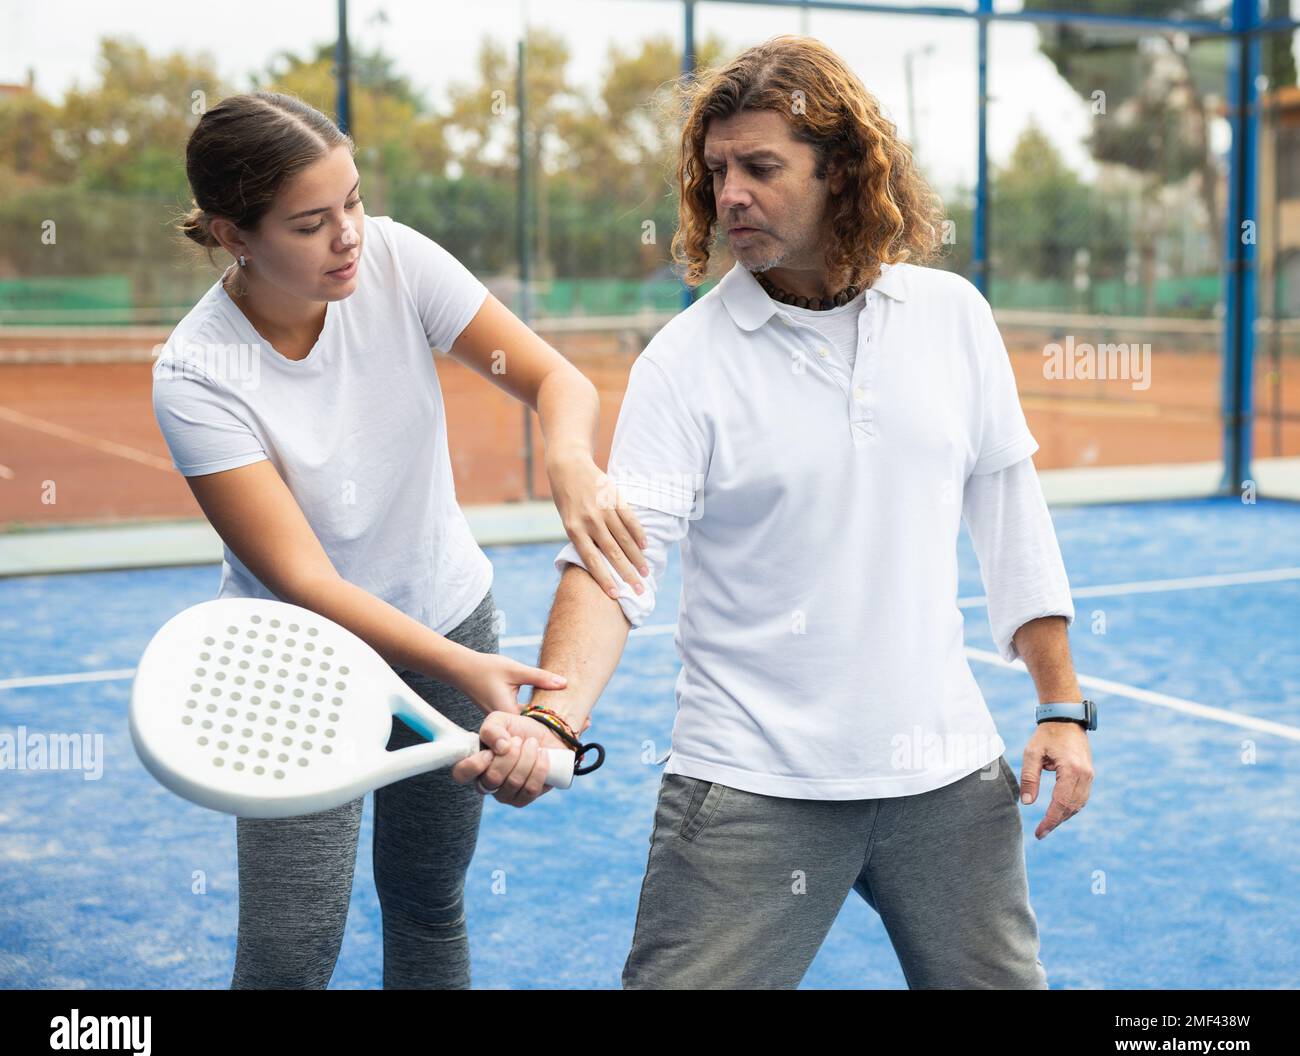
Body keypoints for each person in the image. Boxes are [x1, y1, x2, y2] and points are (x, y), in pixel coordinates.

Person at [452, 35, 1096, 989]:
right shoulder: (685, 360)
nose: (731, 195)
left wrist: (1059, 704)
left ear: (841, 172)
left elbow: (1010, 513)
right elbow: (616, 562)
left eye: (761, 167)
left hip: (947, 776)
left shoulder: (953, 315)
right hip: (749, 785)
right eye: (716, 171)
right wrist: (554, 720)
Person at [152, 90, 649, 989]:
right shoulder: (195, 374)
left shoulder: (396, 260)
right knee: (289, 953)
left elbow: (555, 379)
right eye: (311, 222)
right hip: (296, 664)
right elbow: (304, 577)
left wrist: (570, 457)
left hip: (448, 613)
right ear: (233, 234)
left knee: (427, 901)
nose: (348, 235)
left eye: (353, 200)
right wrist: (464, 674)